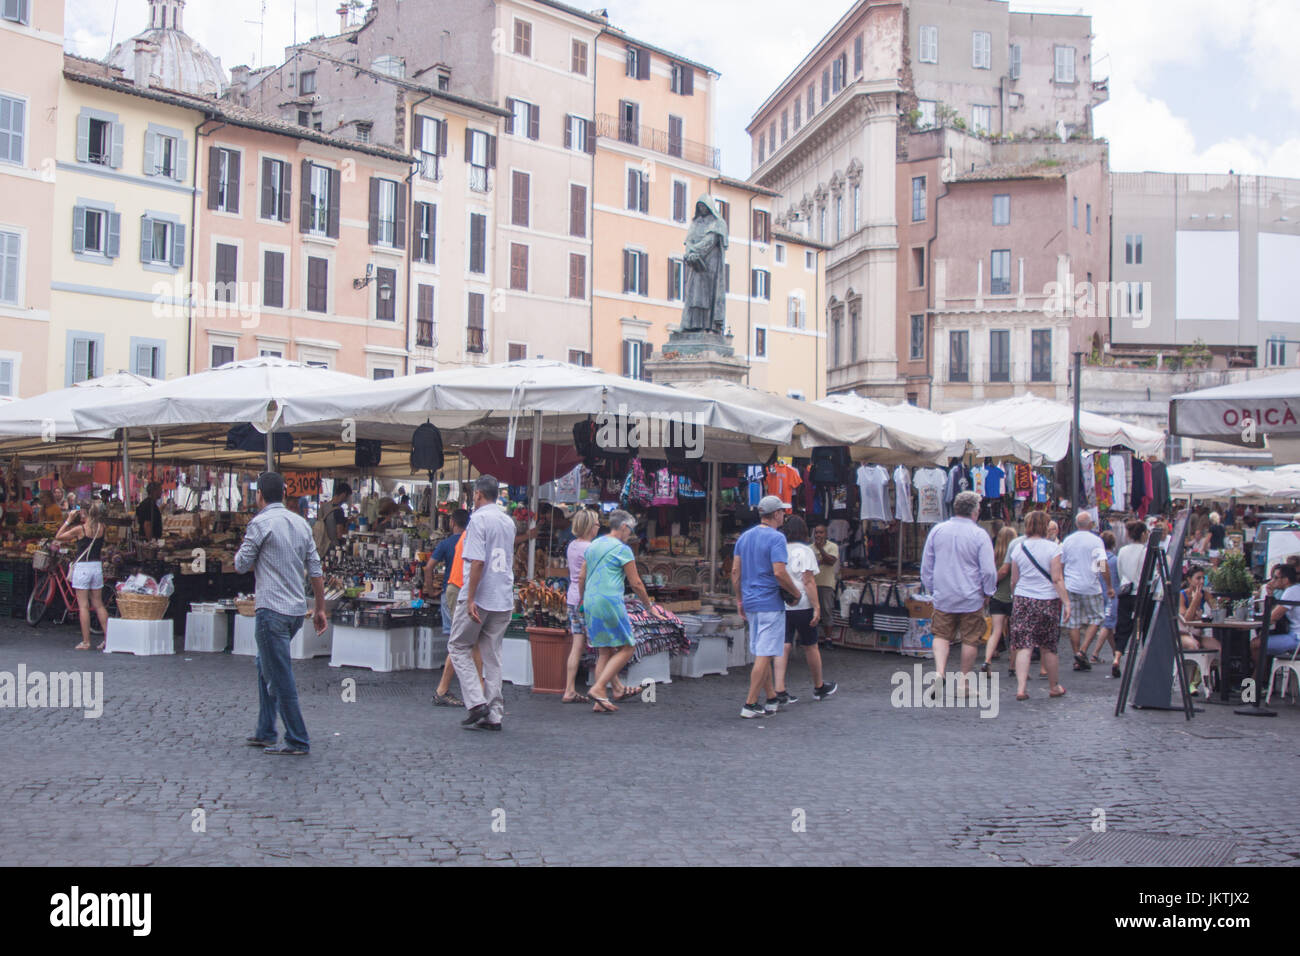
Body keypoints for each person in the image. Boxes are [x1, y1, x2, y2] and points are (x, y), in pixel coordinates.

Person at [233, 472, 327, 756]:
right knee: (266, 666)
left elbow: (240, 564)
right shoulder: (301, 524)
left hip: (271, 609)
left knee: (279, 675)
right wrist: (320, 608)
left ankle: (297, 738)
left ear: (259, 495)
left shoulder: (260, 524)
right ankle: (266, 730)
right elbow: (315, 569)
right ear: (284, 494)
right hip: (295, 611)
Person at [447, 475, 517, 732]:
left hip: (481, 593)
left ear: (477, 494)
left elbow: (477, 562)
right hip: (503, 595)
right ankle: (494, 713)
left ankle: (476, 703)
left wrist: (471, 597)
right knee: (493, 655)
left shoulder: (478, 520)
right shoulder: (508, 521)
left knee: (458, 645)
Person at [579, 510, 654, 714]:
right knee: (628, 646)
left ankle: (600, 698)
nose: (630, 534)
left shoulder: (594, 545)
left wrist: (582, 600)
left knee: (605, 650)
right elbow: (636, 583)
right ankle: (597, 688)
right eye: (630, 529)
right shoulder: (623, 550)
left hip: (591, 601)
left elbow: (581, 576)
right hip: (610, 601)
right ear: (623, 527)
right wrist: (649, 607)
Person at [732, 495, 801, 719]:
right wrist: (795, 592)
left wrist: (739, 599)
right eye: (782, 512)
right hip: (769, 601)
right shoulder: (777, 538)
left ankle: (771, 698)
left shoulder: (744, 537)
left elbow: (735, 572)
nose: (784, 515)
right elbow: (779, 572)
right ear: (776, 514)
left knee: (764, 650)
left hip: (751, 601)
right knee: (765, 652)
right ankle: (750, 703)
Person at [920, 490, 997, 682]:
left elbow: (926, 566)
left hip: (944, 594)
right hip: (971, 596)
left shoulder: (937, 531)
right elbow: (988, 570)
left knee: (941, 635)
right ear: (975, 511)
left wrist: (932, 588)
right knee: (970, 639)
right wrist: (988, 592)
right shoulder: (979, 535)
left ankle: (939, 672)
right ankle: (963, 681)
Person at [774, 515, 836, 705]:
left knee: (783, 645)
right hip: (802, 604)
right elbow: (808, 581)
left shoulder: (779, 549)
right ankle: (818, 686)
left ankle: (780, 688)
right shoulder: (806, 551)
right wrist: (816, 606)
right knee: (810, 645)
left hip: (782, 602)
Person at [1009, 509, 1071, 700]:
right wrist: (1066, 602)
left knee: (1024, 645)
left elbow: (1014, 579)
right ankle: (1054, 687)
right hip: (1047, 600)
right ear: (1045, 526)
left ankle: (1021, 688)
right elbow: (1057, 578)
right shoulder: (1053, 549)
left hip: (1023, 599)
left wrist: (1015, 596)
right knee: (1048, 646)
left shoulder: (1019, 548)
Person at [430, 513, 483, 707]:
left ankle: (477, 690)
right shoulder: (470, 538)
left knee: (466, 641)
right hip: (460, 589)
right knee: (463, 642)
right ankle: (447, 690)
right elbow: (477, 565)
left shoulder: (467, 537)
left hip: (459, 589)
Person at [1060, 512, 1113, 671]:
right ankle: (1082, 651)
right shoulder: (1096, 541)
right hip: (1090, 584)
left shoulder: (1067, 541)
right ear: (1090, 524)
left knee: (1073, 622)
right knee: (1096, 617)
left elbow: (1061, 564)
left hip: (1071, 584)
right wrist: (1108, 585)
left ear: (1077, 524)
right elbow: (1101, 564)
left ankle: (1077, 656)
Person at [54, 502, 109, 651]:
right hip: (96, 566)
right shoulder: (102, 528)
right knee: (98, 604)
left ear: (87, 513)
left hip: (83, 567)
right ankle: (108, 639)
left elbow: (58, 537)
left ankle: (86, 642)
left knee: (83, 606)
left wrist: (68, 521)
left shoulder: (80, 529)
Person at [562, 508, 600, 704]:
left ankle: (569, 689)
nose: (599, 526)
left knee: (577, 645)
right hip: (587, 600)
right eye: (596, 523)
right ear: (589, 526)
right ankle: (604, 690)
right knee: (603, 646)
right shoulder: (591, 549)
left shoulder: (572, 546)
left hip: (572, 598)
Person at [1113, 520, 1149, 679]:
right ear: (1142, 534)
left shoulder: (1123, 551)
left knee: (1123, 628)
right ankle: (1144, 661)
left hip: (1125, 592)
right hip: (1141, 593)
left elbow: (1120, 572)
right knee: (1144, 628)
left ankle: (1117, 657)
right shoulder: (1146, 551)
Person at [983, 525, 1020, 675]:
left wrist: (990, 587)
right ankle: (1012, 666)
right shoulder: (1017, 555)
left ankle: (987, 660)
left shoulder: (993, 556)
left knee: (996, 631)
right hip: (1013, 597)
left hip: (997, 597)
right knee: (1014, 633)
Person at [1083, 530, 1121, 665]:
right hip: (1111, 594)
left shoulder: (1097, 560)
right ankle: (1095, 653)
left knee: (1108, 625)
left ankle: (1116, 651)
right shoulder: (1115, 560)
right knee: (1108, 623)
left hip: (1098, 593)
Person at [1255, 563, 1300, 665]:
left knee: (1256, 644)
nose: (1272, 581)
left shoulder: (1291, 591)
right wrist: (1270, 595)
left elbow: (1272, 617)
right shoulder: (1296, 589)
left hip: (1296, 638)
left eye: (1275, 578)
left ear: (1285, 580)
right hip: (1294, 636)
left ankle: (1258, 676)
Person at [1177, 568, 1221, 652]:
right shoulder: (1181, 595)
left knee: (1217, 646)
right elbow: (1186, 620)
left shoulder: (1205, 594)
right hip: (1182, 634)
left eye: (1203, 578)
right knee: (1194, 645)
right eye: (1198, 578)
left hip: (1197, 634)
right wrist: (1195, 600)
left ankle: (1214, 665)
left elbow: (1217, 612)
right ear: (1189, 580)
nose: (1202, 581)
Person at [811, 521, 840, 645]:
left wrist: (821, 550)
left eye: (821, 532)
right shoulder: (809, 548)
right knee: (811, 611)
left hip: (826, 584)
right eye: (816, 532)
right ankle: (813, 638)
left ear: (826, 534)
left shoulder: (832, 546)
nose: (818, 535)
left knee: (826, 610)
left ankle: (828, 639)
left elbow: (831, 561)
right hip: (812, 584)